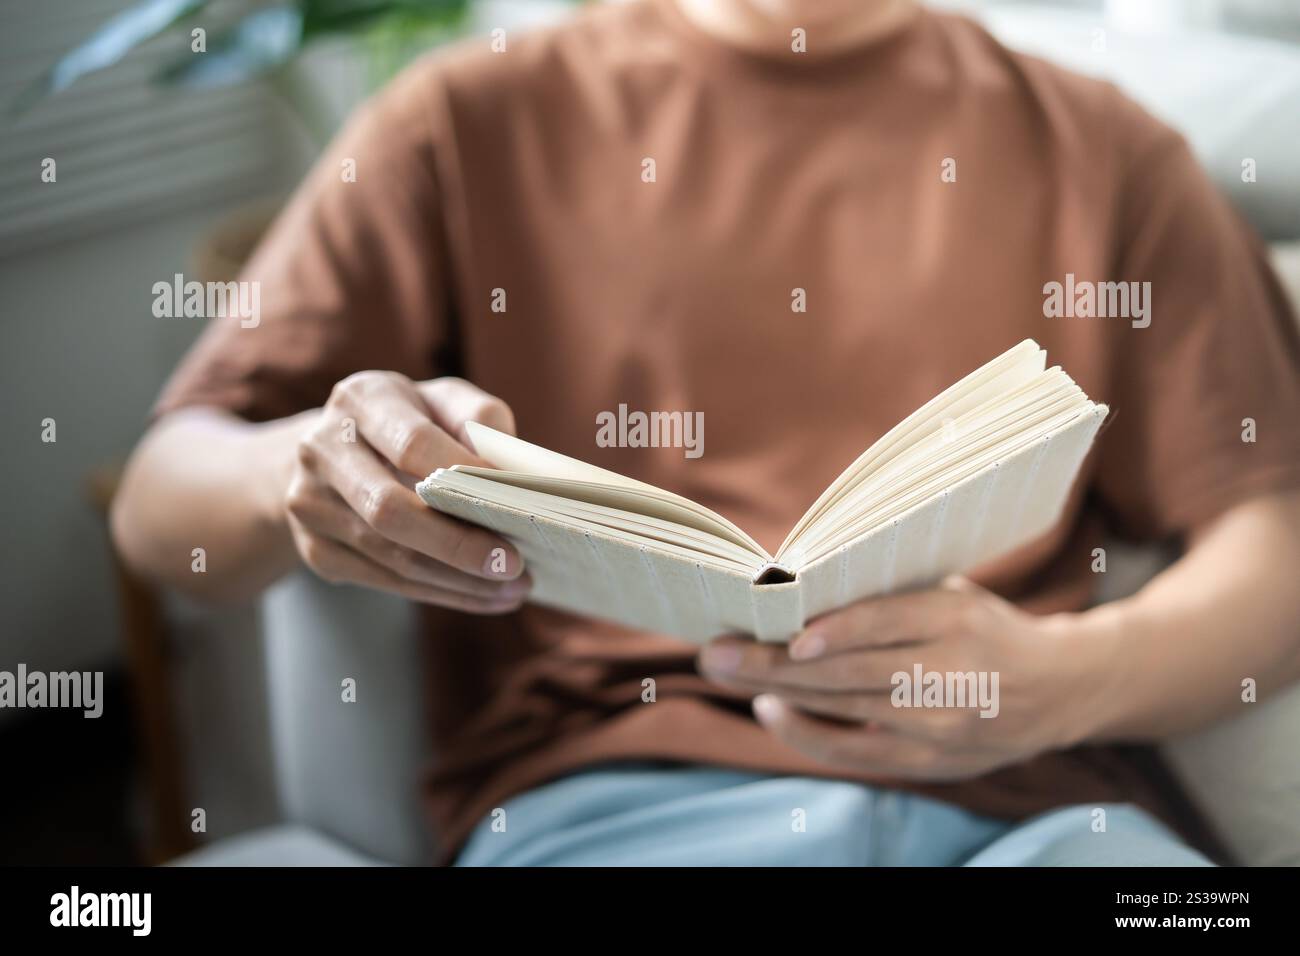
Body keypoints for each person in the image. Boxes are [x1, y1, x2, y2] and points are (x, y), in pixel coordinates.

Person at [112, 0, 1300, 866]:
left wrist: (1063, 682)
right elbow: (162, 505)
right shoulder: (464, 119)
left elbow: (1275, 544)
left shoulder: (1108, 149)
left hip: (1049, 810)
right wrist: (305, 468)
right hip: (620, 802)